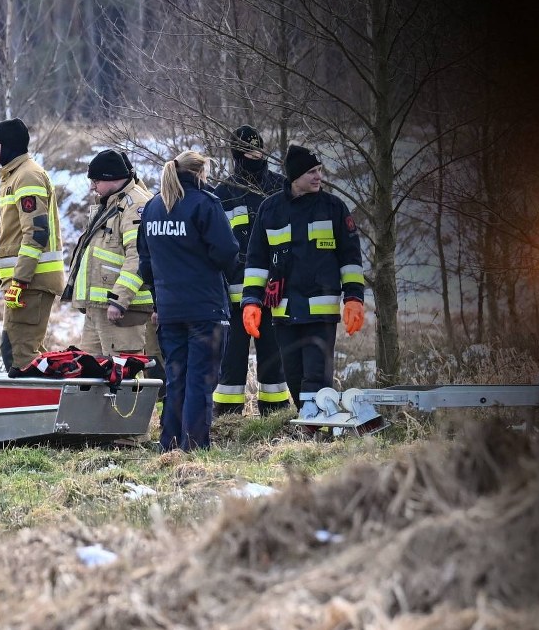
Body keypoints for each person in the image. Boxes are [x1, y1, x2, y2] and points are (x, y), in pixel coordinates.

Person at [240, 145, 367, 417]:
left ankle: (317, 431)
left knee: (316, 378)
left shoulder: (333, 208)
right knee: (295, 377)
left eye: (320, 170)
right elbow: (257, 261)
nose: (319, 176)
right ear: (295, 175)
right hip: (284, 312)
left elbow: (350, 258)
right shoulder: (270, 209)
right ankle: (310, 423)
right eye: (312, 171)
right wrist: (251, 301)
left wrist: (354, 297)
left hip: (320, 314)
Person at [136, 151, 238, 451]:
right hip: (205, 308)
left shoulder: (153, 207)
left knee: (176, 378)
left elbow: (145, 263)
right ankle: (194, 447)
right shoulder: (205, 204)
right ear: (200, 173)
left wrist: (159, 297)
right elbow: (226, 251)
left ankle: (170, 445)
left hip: (169, 310)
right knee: (200, 381)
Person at [211, 125, 293, 417]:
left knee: (274, 357)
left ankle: (276, 415)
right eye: (247, 152)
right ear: (236, 155)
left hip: (274, 292)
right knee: (231, 360)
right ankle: (227, 419)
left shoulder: (280, 189)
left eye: (258, 150)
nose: (254, 156)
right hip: (234, 296)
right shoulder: (221, 194)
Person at [0, 118, 64, 375]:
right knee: (25, 352)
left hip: (31, 282)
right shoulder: (15, 176)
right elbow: (16, 232)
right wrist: (3, 268)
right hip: (25, 281)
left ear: (8, 145)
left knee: (19, 357)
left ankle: (35, 412)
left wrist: (20, 279)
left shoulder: (27, 176)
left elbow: (36, 233)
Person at [63, 150, 154, 356]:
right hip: (98, 308)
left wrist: (119, 300)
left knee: (125, 375)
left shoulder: (136, 205)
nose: (92, 187)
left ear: (111, 178)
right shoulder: (109, 204)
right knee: (89, 374)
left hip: (120, 311)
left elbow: (137, 256)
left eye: (95, 181)